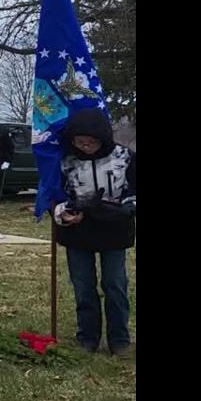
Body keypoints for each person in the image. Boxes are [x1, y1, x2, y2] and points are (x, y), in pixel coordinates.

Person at [53, 108, 136, 357]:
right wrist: (63, 213)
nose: (86, 146)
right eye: (80, 142)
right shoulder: (66, 161)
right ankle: (87, 337)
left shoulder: (126, 158)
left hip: (114, 229)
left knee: (114, 284)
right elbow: (54, 195)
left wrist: (127, 208)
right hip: (78, 232)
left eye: (91, 142)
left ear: (103, 138)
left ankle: (119, 339)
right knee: (83, 286)